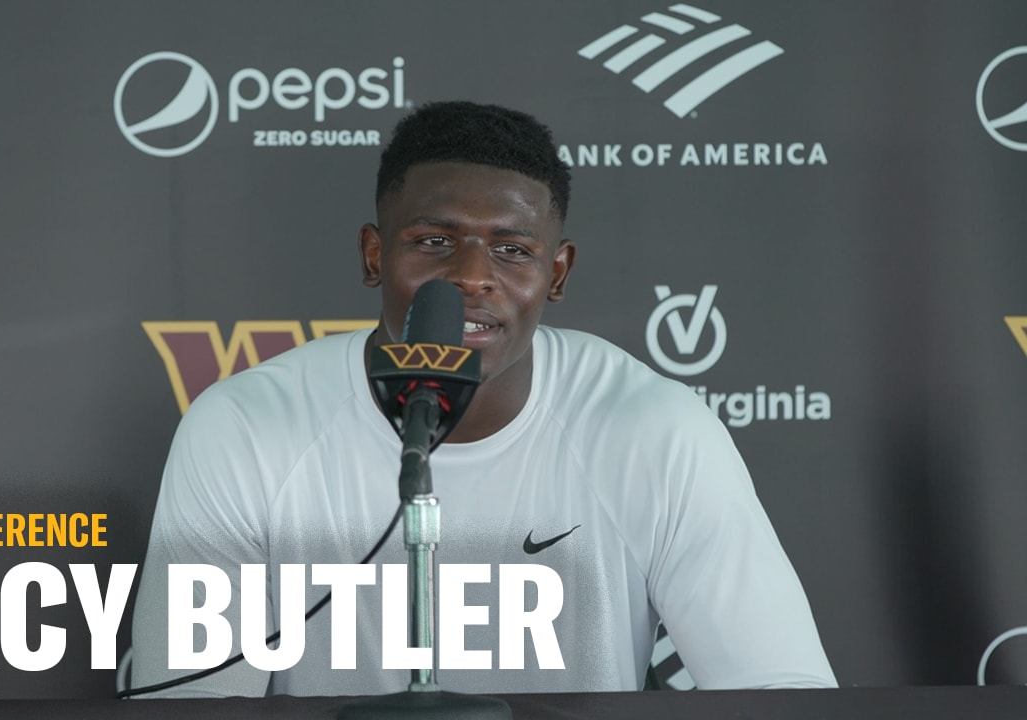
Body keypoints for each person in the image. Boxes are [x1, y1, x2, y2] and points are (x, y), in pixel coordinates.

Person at [130, 101, 837, 697]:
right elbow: (196, 709)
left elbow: (781, 696)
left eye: (512, 250)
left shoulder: (656, 430)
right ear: (375, 256)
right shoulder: (246, 429)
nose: (471, 277)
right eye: (434, 241)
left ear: (556, 272)